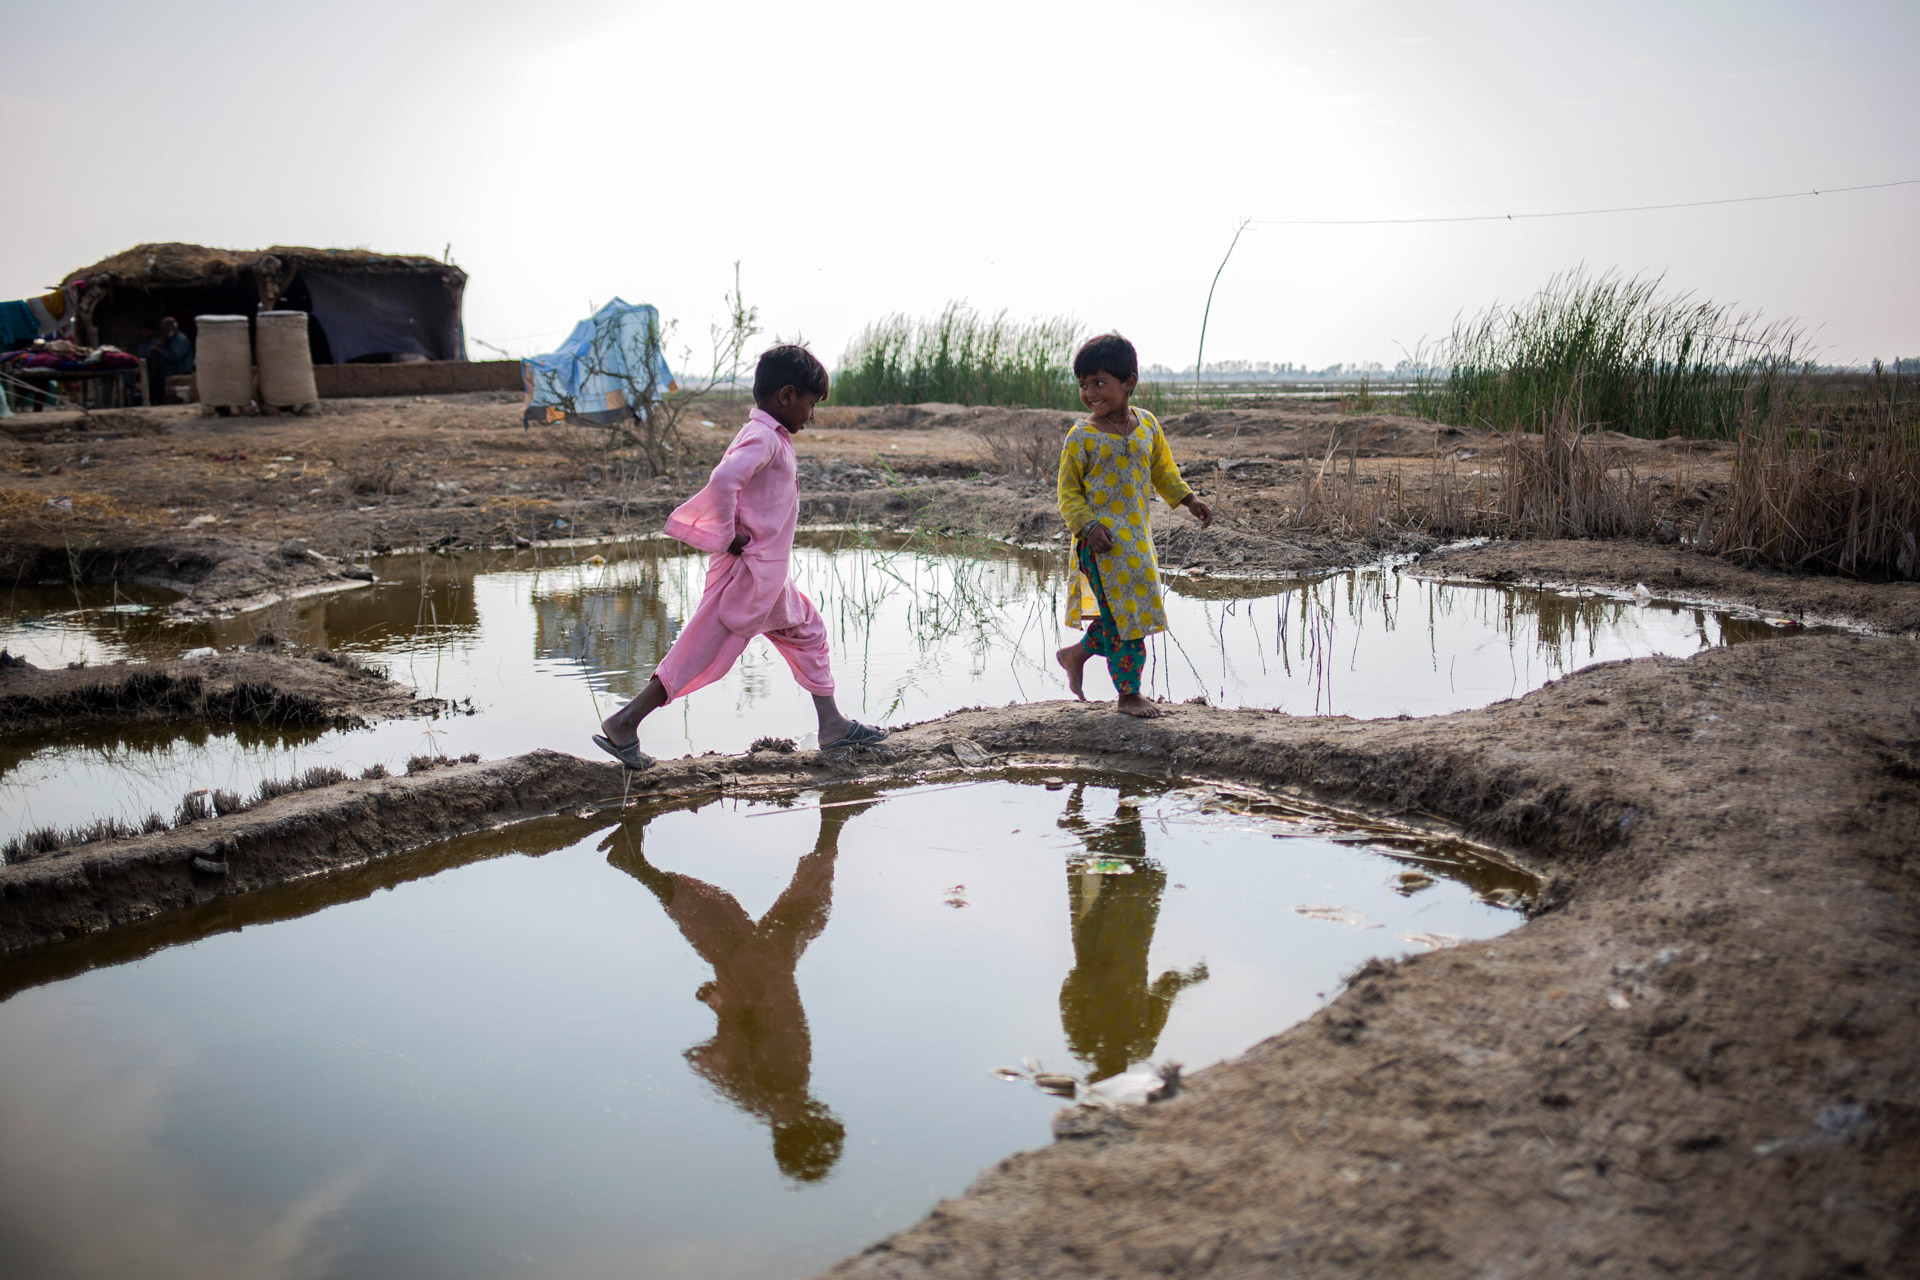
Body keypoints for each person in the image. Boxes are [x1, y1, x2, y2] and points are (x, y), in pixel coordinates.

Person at [593, 343, 887, 768]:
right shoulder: (764, 437)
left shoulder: (771, 435)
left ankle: (832, 725)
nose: (812, 415)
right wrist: (727, 534)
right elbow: (725, 478)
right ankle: (624, 723)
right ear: (787, 396)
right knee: (697, 651)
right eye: (811, 404)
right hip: (747, 576)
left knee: (808, 630)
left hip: (766, 576)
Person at [1055, 333, 1212, 718]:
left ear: (1129, 383)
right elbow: (1068, 494)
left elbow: (1163, 471)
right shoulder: (1082, 437)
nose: (1090, 393)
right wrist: (1089, 526)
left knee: (1131, 614)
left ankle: (1076, 654)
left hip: (1138, 543)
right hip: (1099, 545)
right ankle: (1128, 694)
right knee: (1126, 623)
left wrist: (1189, 500)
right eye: (1083, 385)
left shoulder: (1147, 426)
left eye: (1099, 383)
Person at [151, 316, 194, 384]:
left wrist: (159, 351)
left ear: (173, 328)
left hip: (179, 375)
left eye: (166, 329)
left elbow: (174, 357)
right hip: (170, 375)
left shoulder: (180, 339)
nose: (165, 332)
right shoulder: (172, 339)